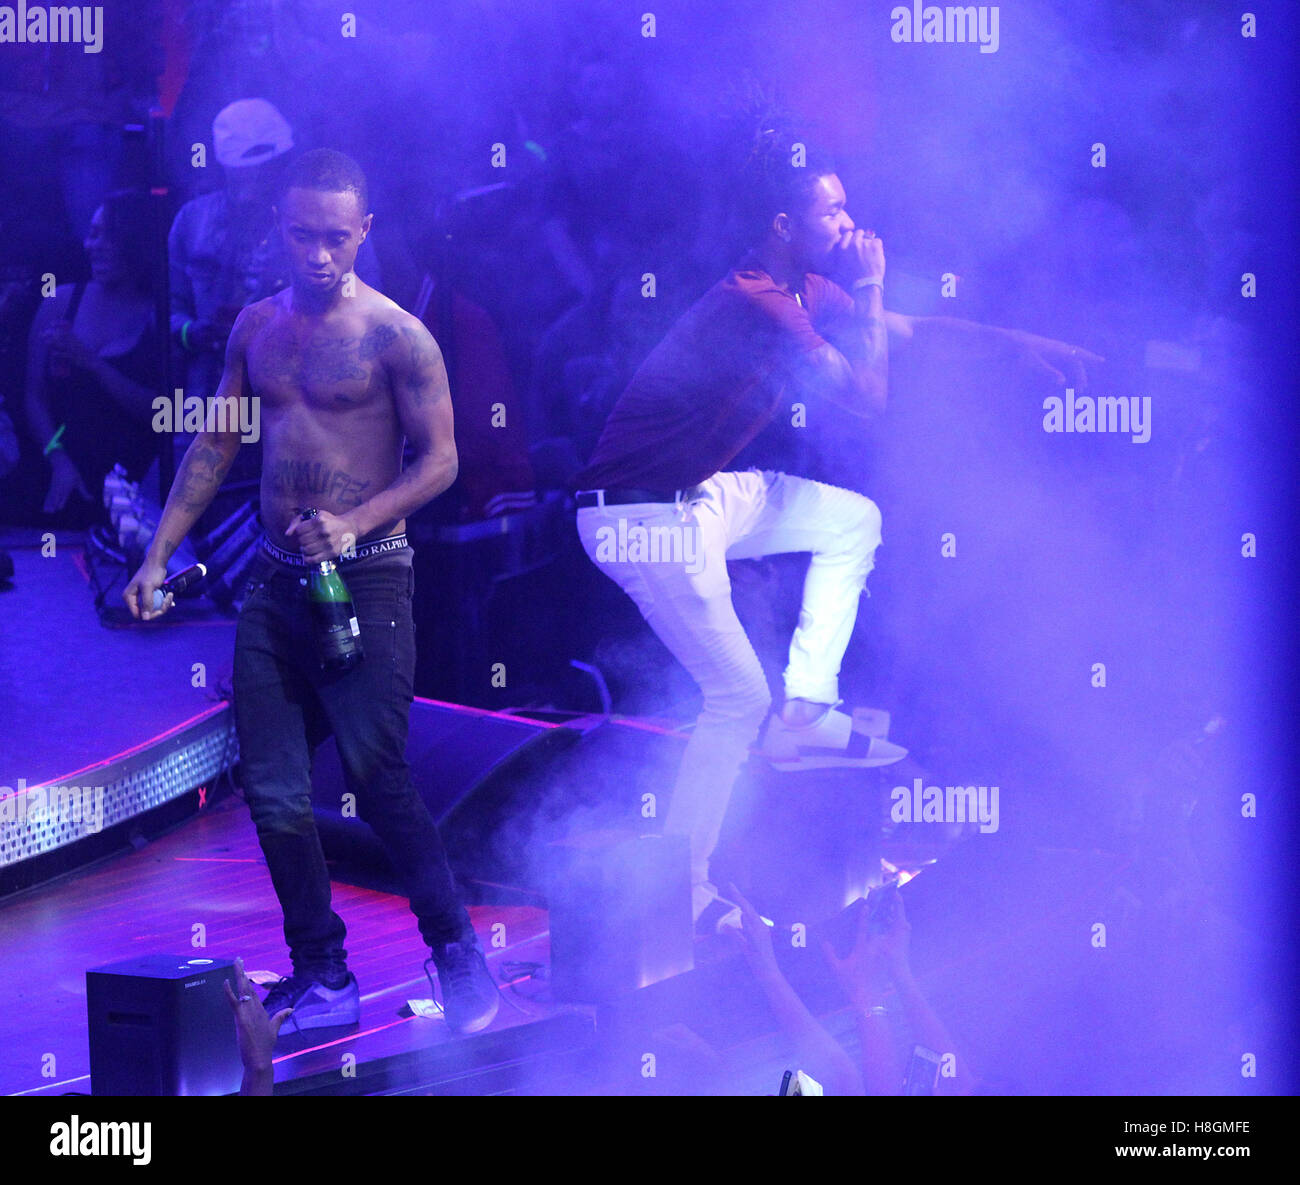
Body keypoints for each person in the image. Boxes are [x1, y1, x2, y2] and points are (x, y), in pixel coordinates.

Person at [573, 129, 1101, 933]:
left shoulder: (806, 284)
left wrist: (1019, 346)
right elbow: (871, 393)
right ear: (784, 225)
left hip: (700, 494)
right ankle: (684, 891)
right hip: (637, 516)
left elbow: (912, 334)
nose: (852, 223)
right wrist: (876, 285)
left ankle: (807, 709)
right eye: (835, 209)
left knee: (852, 518)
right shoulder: (760, 300)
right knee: (735, 694)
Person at [124, 148, 500, 1036]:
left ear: (365, 231)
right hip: (273, 579)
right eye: (304, 235)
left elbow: (443, 461)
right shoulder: (255, 326)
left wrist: (355, 523)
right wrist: (155, 555)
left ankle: (455, 952)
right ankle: (323, 974)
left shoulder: (399, 334)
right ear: (280, 229)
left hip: (367, 578)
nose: (320, 253)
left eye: (337, 237)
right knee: (275, 788)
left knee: (378, 775)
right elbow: (216, 444)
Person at [25, 190, 162, 526]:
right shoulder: (60, 302)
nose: (92, 245)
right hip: (61, 482)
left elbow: (161, 412)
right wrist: (56, 457)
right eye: (91, 234)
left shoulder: (159, 314)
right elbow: (33, 397)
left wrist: (93, 364)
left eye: (105, 235)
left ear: (134, 241)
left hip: (135, 494)